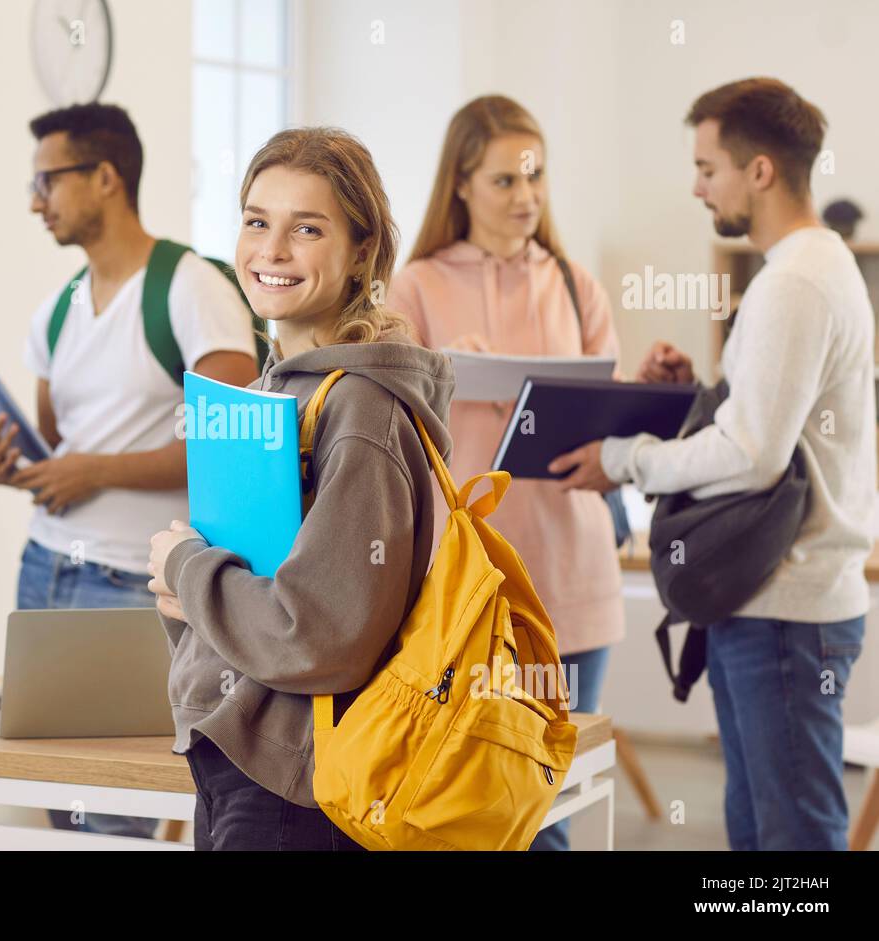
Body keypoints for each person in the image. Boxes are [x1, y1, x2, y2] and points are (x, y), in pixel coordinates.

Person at [552, 78, 875, 851]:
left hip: (784, 609)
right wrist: (692, 395)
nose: (698, 188)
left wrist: (623, 457)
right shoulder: (813, 268)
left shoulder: (794, 280)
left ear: (759, 170)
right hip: (772, 604)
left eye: (707, 167)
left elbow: (754, 456)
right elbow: (768, 424)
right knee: (761, 830)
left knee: (791, 839)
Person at [0, 103, 258, 838]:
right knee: (62, 799)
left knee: (118, 810)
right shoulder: (56, 312)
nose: (34, 200)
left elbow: (233, 443)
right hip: (45, 569)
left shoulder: (189, 287)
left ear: (107, 177)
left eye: (47, 180)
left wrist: (94, 471)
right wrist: (6, 468)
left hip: (133, 583)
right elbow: (57, 448)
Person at [147, 126, 453, 851]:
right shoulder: (264, 395)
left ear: (361, 254)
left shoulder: (362, 409)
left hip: (295, 790)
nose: (271, 251)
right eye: (257, 221)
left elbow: (320, 634)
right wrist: (185, 587)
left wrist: (190, 571)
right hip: (239, 757)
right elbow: (262, 588)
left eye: (306, 229)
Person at [386, 95, 622, 851]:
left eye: (536, 178)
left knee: (550, 800)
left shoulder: (576, 284)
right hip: (468, 588)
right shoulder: (415, 285)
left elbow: (611, 449)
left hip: (575, 578)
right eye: (505, 181)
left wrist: (631, 427)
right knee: (486, 805)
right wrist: (448, 375)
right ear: (460, 183)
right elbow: (388, 435)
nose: (526, 198)